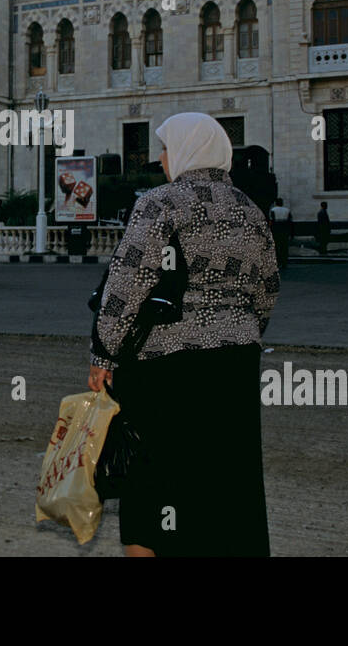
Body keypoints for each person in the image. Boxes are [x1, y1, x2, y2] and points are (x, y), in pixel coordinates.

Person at [88, 112, 280, 557]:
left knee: (155, 486)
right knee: (227, 483)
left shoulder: (161, 202)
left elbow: (125, 284)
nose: (160, 158)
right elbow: (268, 288)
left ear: (186, 150)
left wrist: (104, 354)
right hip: (234, 367)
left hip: (166, 366)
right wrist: (239, 332)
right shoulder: (250, 210)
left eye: (166, 148)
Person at [268, 197, 292, 268]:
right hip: (284, 229)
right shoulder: (287, 210)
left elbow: (271, 221)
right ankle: (284, 261)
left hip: (276, 229)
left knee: (277, 246)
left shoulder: (273, 210)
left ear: (276, 203)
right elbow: (290, 221)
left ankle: (278, 261)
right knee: (284, 246)